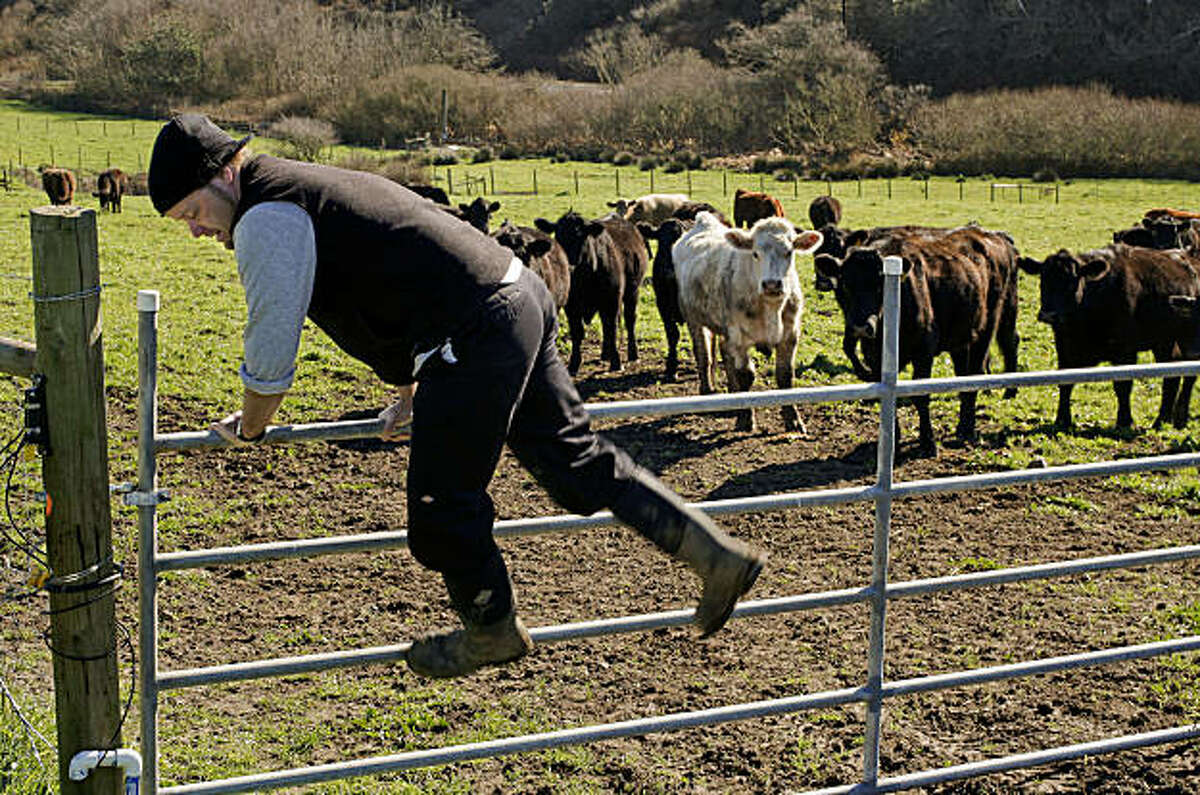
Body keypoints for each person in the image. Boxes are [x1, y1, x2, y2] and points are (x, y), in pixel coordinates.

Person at [147, 114, 767, 678]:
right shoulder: (305, 185)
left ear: (226, 174)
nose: (197, 229)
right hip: (515, 293)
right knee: (576, 463)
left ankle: (492, 626)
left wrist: (252, 426)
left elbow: (271, 345)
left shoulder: (266, 212)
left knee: (442, 507)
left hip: (474, 326)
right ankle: (715, 556)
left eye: (192, 212)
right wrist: (413, 389)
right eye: (183, 223)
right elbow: (396, 270)